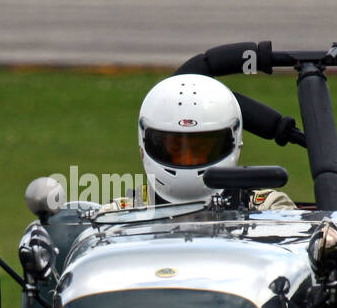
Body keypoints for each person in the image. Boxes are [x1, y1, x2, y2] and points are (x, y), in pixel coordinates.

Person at [107, 73, 295, 211]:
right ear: (145, 144)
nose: (188, 156)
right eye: (175, 147)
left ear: (232, 142)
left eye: (201, 147)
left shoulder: (271, 208)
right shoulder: (118, 215)